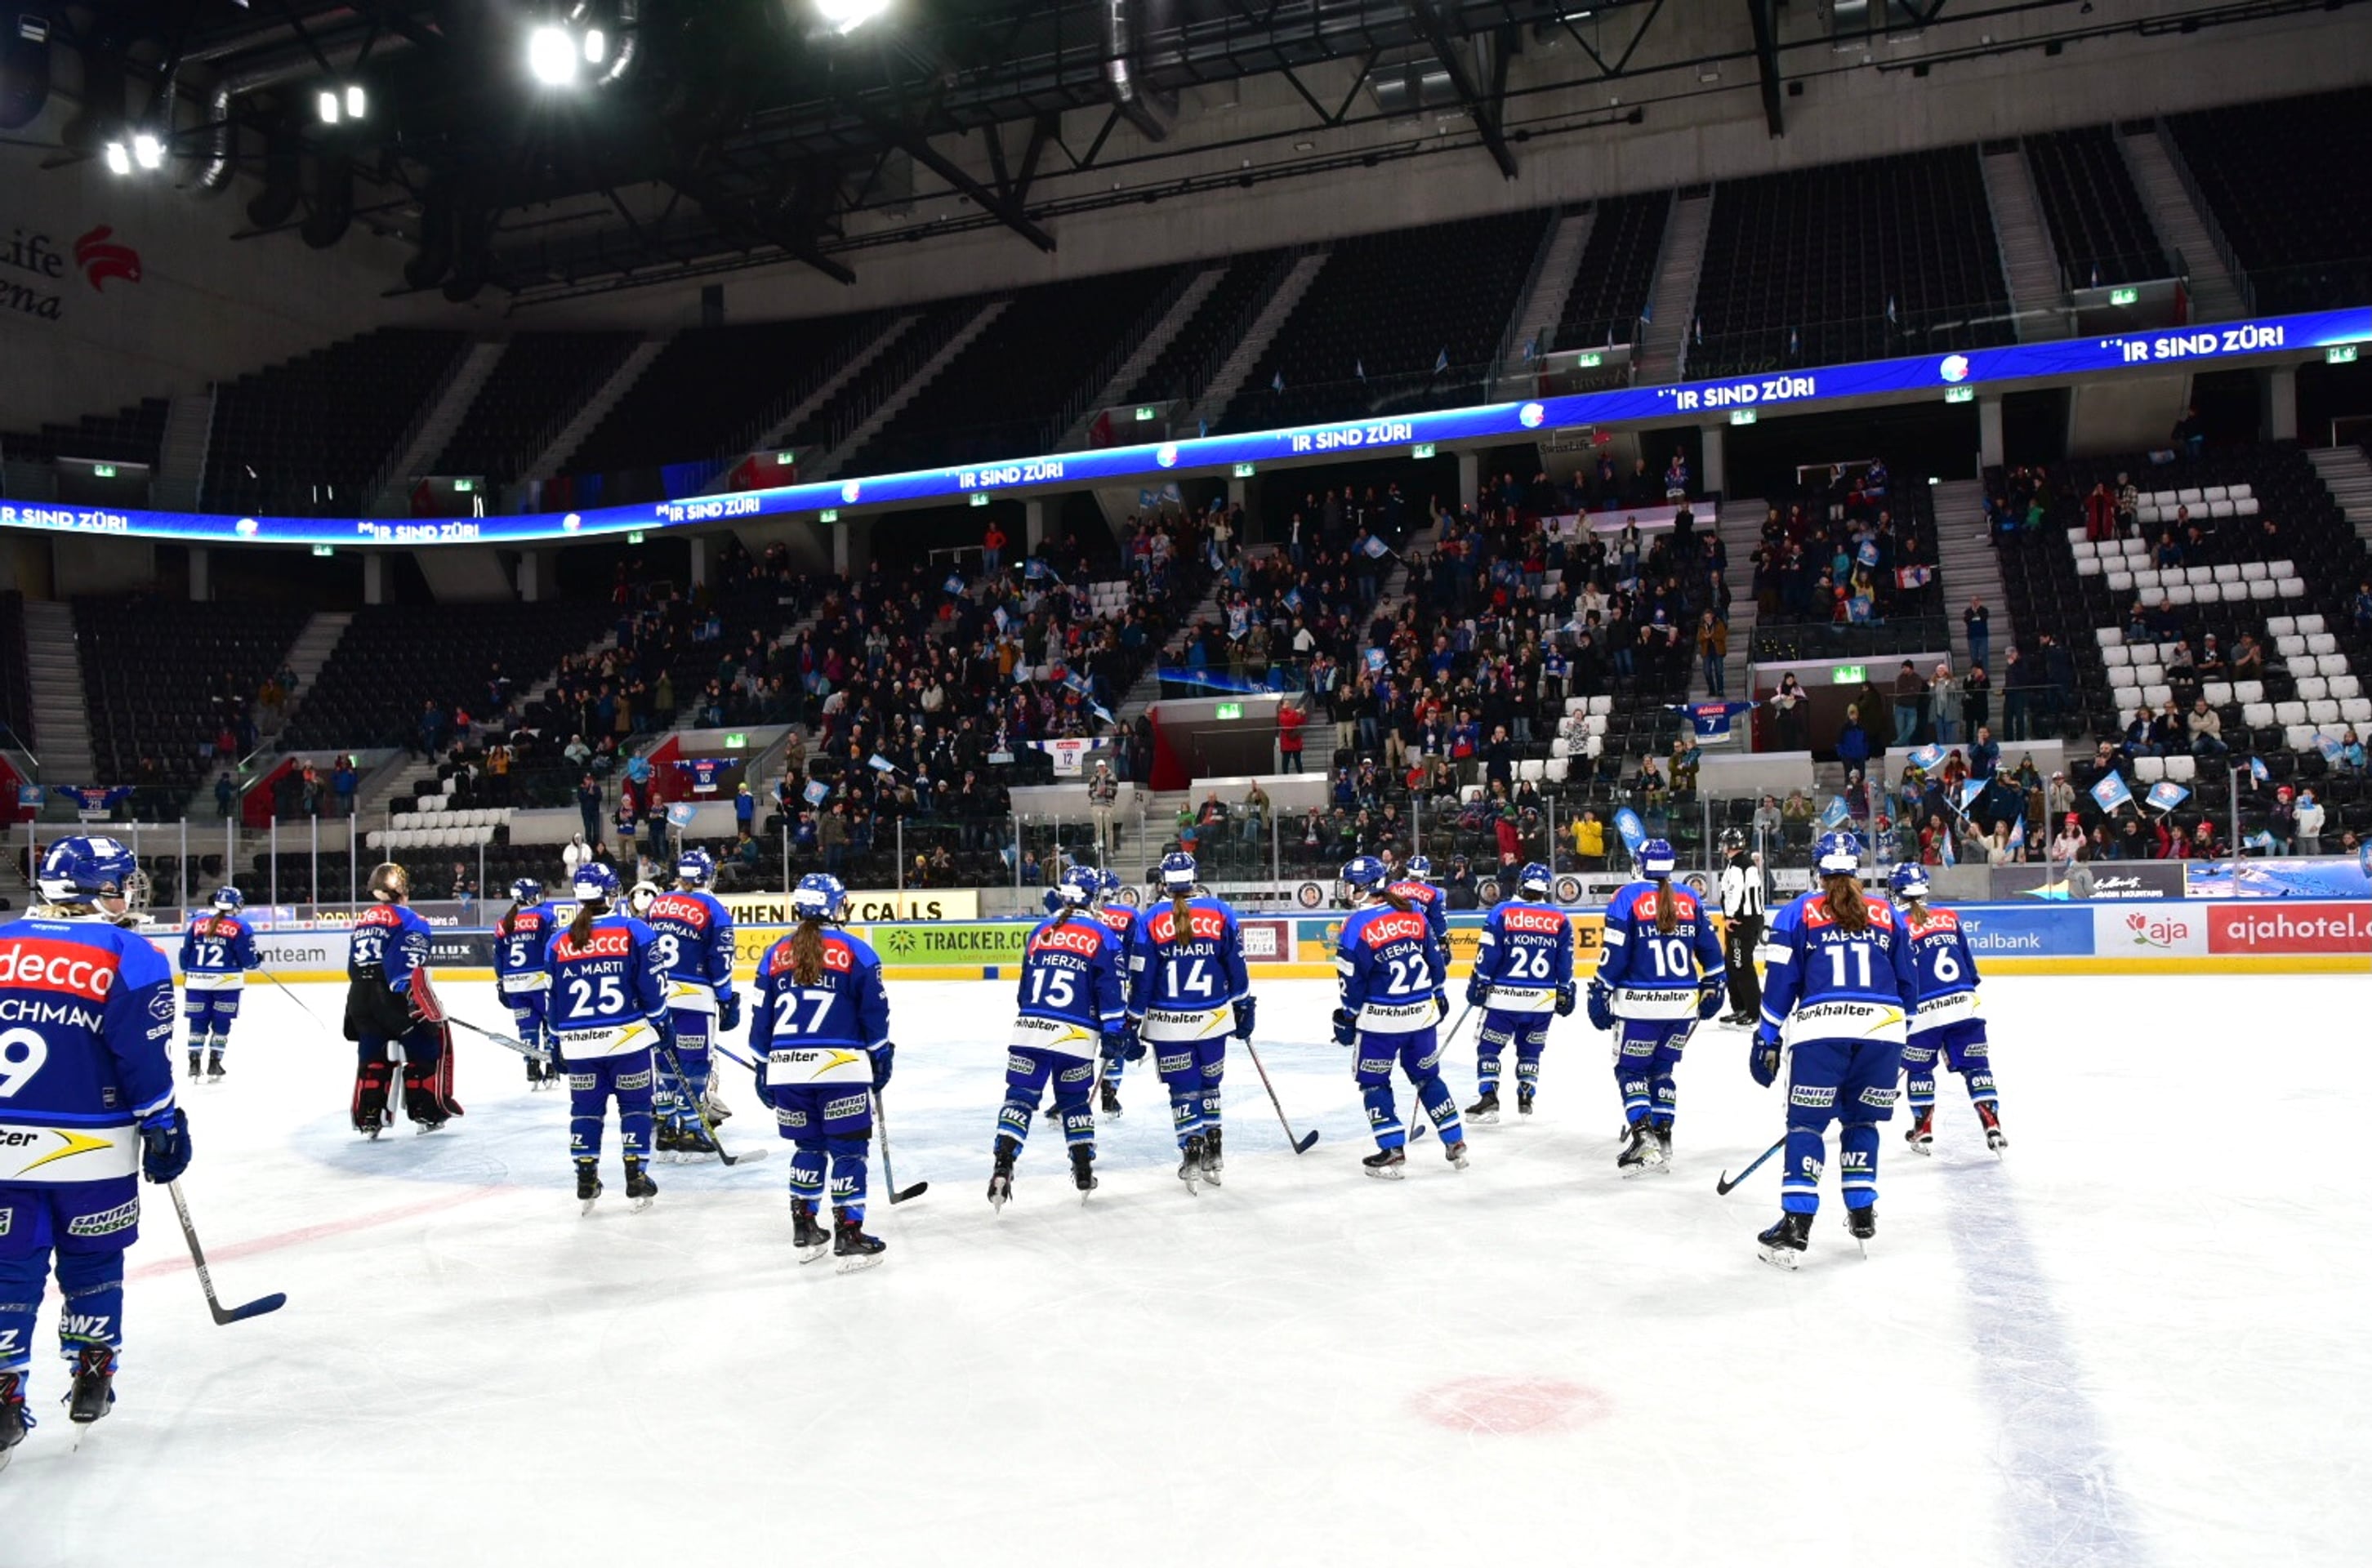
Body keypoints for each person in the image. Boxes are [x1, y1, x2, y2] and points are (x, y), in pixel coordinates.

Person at [0, 835, 189, 1455]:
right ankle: (92, 1370)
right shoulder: (129, 953)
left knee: (7, 1270)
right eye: (117, 883)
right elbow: (143, 1058)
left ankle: (4, 1390)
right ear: (90, 890)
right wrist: (162, 1123)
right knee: (93, 1260)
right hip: (92, 1149)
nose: (126, 894)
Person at [1748, 831, 1921, 1267]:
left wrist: (1766, 1036)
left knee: (1806, 1127)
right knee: (1862, 1121)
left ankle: (1796, 1226)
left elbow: (1781, 983)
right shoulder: (1887, 913)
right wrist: (1903, 1037)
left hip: (1821, 1032)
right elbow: (1908, 983)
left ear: (1817, 870)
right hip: (1884, 1032)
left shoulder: (1798, 912)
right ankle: (1862, 1211)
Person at [750, 874, 893, 1268]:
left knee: (808, 1148)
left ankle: (805, 1227)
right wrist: (880, 1055)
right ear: (836, 906)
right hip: (841, 1069)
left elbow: (761, 1019)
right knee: (849, 1151)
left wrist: (762, 1066)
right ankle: (849, 1233)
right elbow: (875, 1017)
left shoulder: (774, 954)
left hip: (787, 1071)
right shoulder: (858, 952)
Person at [989, 866, 1130, 1206]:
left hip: (1028, 1031)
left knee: (1019, 1099)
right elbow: (1111, 991)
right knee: (1074, 1102)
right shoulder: (1101, 935)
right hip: (1074, 1037)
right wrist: (1113, 1031)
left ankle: (1002, 1164)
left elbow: (1024, 993)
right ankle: (1082, 1168)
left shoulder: (1040, 932)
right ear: (1092, 897)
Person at [1590, 837, 1724, 1174]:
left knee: (1630, 1070)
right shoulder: (1690, 897)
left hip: (1639, 1005)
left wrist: (1600, 990)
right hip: (1682, 1004)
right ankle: (1663, 1135)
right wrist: (1714, 985)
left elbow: (1615, 953)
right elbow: (1711, 951)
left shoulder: (1627, 897)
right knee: (1662, 1071)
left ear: (1639, 865)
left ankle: (1642, 1134)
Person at [542, 863, 669, 1214]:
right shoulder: (634, 930)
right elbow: (652, 987)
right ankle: (636, 1176)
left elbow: (554, 1001)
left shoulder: (557, 941)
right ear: (613, 893)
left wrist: (555, 1041)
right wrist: (663, 1023)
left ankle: (586, 1179)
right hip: (628, 1041)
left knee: (585, 1111)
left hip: (579, 1045)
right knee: (636, 1108)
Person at [1126, 853, 1254, 1191]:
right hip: (1214, 1019)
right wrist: (1243, 1005)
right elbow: (1237, 968)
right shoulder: (1221, 912)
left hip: (1169, 1023)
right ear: (1195, 877)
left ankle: (1192, 1152)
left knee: (1184, 1089)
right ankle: (1215, 1150)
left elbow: (1142, 976)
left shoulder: (1151, 918)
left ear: (1164, 883)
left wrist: (1132, 1020)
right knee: (1210, 1086)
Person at [1334, 855, 1464, 1177]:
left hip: (1380, 1021)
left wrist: (1348, 1017)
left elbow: (1352, 980)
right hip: (1421, 1016)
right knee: (1428, 1077)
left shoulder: (1356, 925)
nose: (1348, 889)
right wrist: (1439, 993)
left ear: (1365, 888)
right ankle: (1455, 1141)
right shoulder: (1414, 912)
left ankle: (1392, 1150)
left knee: (1374, 1082)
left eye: (1351, 884)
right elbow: (1435, 961)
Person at [1889, 862, 2008, 1155]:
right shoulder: (1948, 916)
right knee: (1977, 1067)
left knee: (1919, 1071)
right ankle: (1992, 1124)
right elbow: (1971, 971)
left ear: (1897, 892)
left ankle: (1923, 1129)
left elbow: (1895, 975)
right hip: (1964, 1006)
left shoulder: (1895, 924)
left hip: (1922, 1013)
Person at [344, 862, 461, 1136]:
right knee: (426, 1049)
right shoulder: (412, 920)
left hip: (358, 997)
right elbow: (403, 972)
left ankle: (369, 1115)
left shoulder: (364, 919)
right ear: (403, 890)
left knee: (372, 1053)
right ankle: (426, 1111)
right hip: (390, 998)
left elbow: (352, 967)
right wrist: (416, 1003)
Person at [644, 849, 740, 1161]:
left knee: (666, 1062)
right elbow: (721, 959)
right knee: (696, 1062)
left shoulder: (657, 903)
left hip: (659, 997)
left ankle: (667, 1127)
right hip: (696, 999)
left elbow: (644, 948)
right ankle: (691, 1128)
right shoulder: (713, 907)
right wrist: (726, 998)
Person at [1462, 861, 1574, 1123]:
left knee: (1488, 1047)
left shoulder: (1503, 911)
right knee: (1530, 1051)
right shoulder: (1559, 918)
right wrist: (1565, 990)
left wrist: (1479, 981)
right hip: (1542, 1001)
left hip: (1504, 998)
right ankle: (1526, 1096)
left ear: (1522, 884)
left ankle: (1489, 1098)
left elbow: (1488, 952)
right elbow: (1565, 961)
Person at [177, 885, 260, 1082]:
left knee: (197, 1023)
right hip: (227, 983)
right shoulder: (241, 926)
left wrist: (188, 973)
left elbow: (185, 952)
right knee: (221, 1023)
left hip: (197, 982)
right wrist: (257, 960)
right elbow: (248, 960)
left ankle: (194, 1062)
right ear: (237, 904)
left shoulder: (197, 922)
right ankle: (215, 1062)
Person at [494, 879, 561, 1089]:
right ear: (532, 895)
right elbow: (552, 948)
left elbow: (498, 955)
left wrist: (501, 981)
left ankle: (531, 1068)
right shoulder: (545, 916)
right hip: (541, 981)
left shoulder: (504, 921)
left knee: (527, 1028)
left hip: (514, 984)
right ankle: (553, 1066)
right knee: (550, 1023)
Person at [1717, 827, 1769, 1026]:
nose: (1722, 847)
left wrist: (1729, 915)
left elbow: (1735, 892)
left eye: (1724, 843)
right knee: (1732, 964)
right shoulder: (1742, 863)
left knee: (1741, 965)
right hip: (1748, 919)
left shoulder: (1739, 865)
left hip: (1742, 921)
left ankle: (1753, 1011)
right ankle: (1740, 1008)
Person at [1087, 760, 1119, 863]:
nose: (1101, 768)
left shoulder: (1112, 777)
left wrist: (1105, 791)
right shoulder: (1093, 778)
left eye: (1102, 766)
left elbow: (1114, 791)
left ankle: (1110, 850)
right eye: (1099, 766)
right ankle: (1098, 849)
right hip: (1096, 805)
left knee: (1109, 829)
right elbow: (1090, 793)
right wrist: (1098, 793)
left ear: (1105, 766)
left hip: (1108, 805)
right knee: (1098, 829)